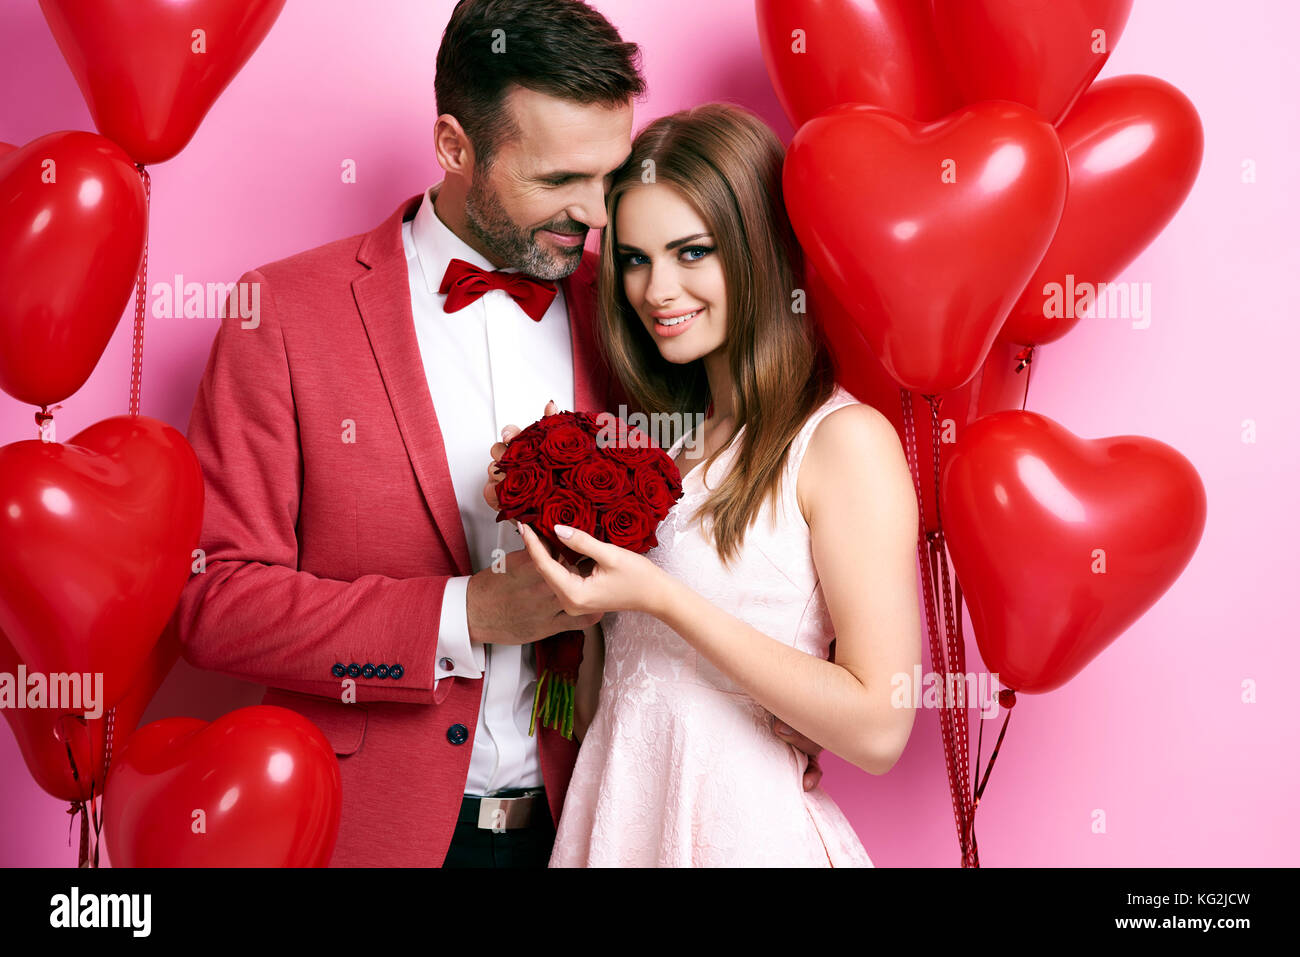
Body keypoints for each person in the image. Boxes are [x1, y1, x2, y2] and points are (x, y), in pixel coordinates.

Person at [175, 0, 819, 868]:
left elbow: (737, 505)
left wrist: (772, 715)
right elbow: (219, 607)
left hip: (599, 824)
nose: (597, 215)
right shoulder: (284, 315)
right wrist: (466, 611)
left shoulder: (637, 310)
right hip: (373, 828)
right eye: (559, 182)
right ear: (454, 146)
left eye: (610, 175)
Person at [510, 103, 924, 866]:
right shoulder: (665, 449)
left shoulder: (841, 441)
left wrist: (662, 596)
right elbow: (621, 706)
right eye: (633, 259)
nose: (656, 290)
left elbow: (879, 727)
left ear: (757, 249)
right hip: (616, 830)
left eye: (691, 251)